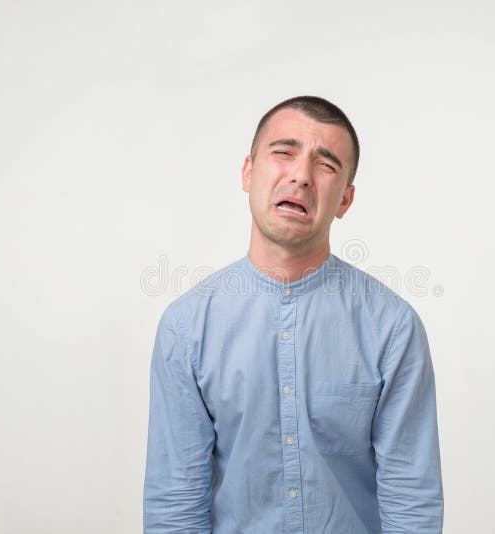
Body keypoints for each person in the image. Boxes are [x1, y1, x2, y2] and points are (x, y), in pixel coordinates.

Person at [143, 96, 443, 533]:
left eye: (326, 165)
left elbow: (410, 498)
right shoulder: (186, 328)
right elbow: (176, 501)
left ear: (345, 200)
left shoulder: (392, 328)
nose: (301, 175)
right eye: (283, 152)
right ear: (248, 172)